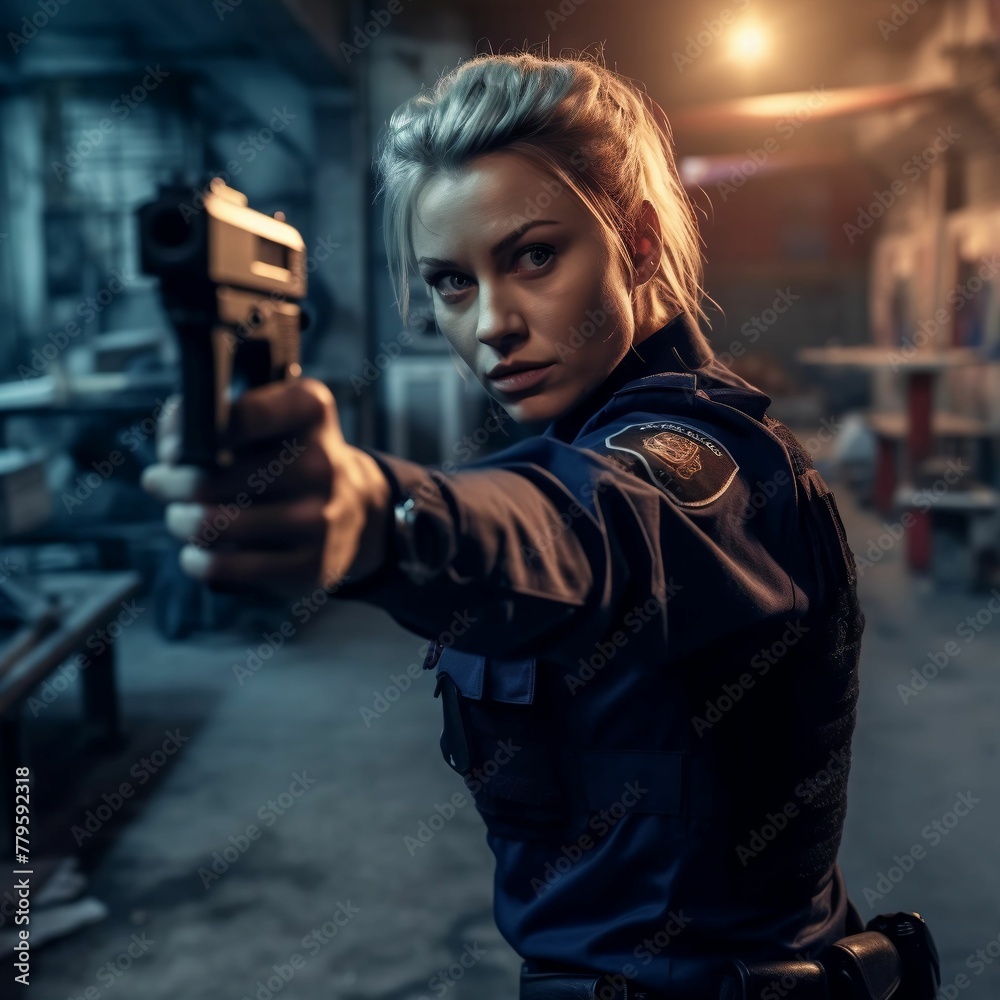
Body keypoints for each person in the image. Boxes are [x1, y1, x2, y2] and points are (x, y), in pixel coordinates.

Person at [142, 50, 865, 1000]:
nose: (491, 323)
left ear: (638, 246)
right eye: (451, 282)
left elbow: (591, 527)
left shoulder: (704, 457)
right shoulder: (569, 443)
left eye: (533, 256)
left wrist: (378, 516)